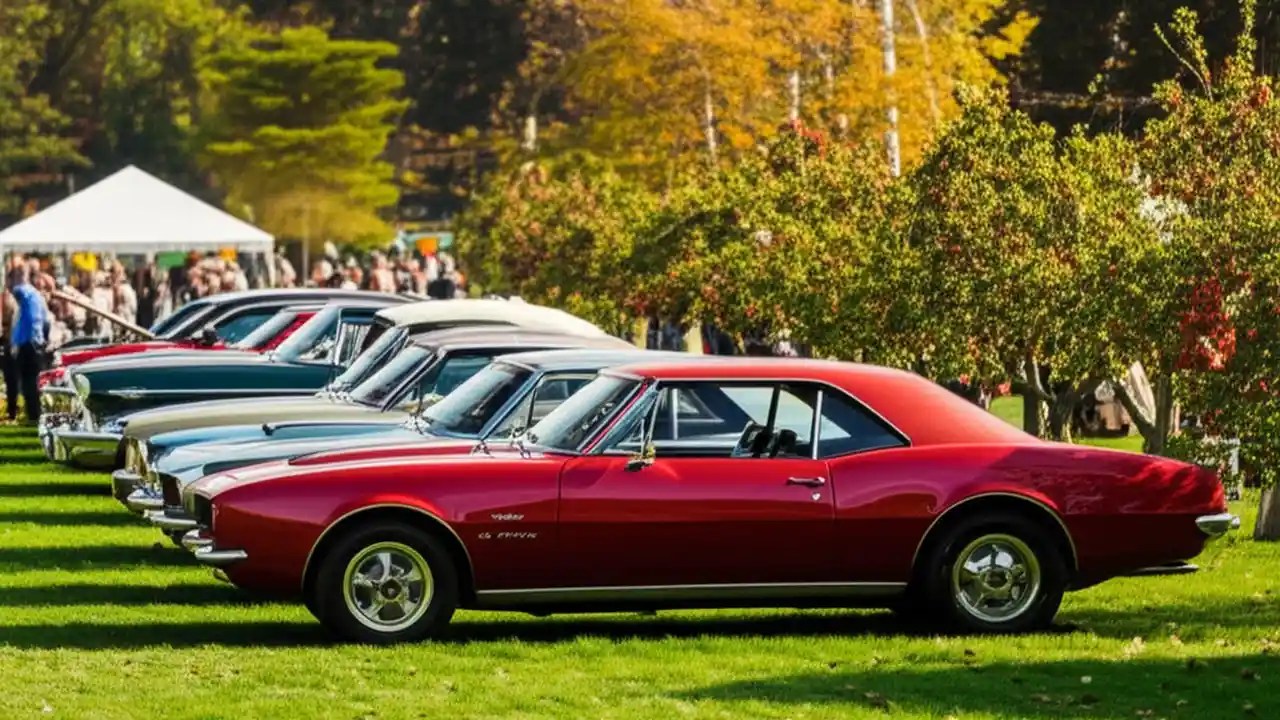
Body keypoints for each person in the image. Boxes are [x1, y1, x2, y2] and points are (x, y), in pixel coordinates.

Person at [9, 270, 48, 423]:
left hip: (28, 345)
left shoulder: (27, 294)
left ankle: (34, 415)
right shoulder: (38, 297)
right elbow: (46, 322)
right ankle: (34, 414)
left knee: (29, 383)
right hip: (36, 344)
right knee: (32, 382)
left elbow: (18, 290)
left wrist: (15, 282)